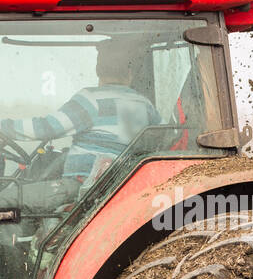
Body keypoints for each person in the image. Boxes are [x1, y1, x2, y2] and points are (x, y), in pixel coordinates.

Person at [0, 38, 162, 213]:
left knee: (6, 198)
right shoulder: (145, 105)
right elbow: (158, 141)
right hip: (121, 187)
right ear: (130, 72)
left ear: (98, 71)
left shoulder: (91, 99)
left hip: (81, 187)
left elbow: (47, 127)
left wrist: (5, 126)